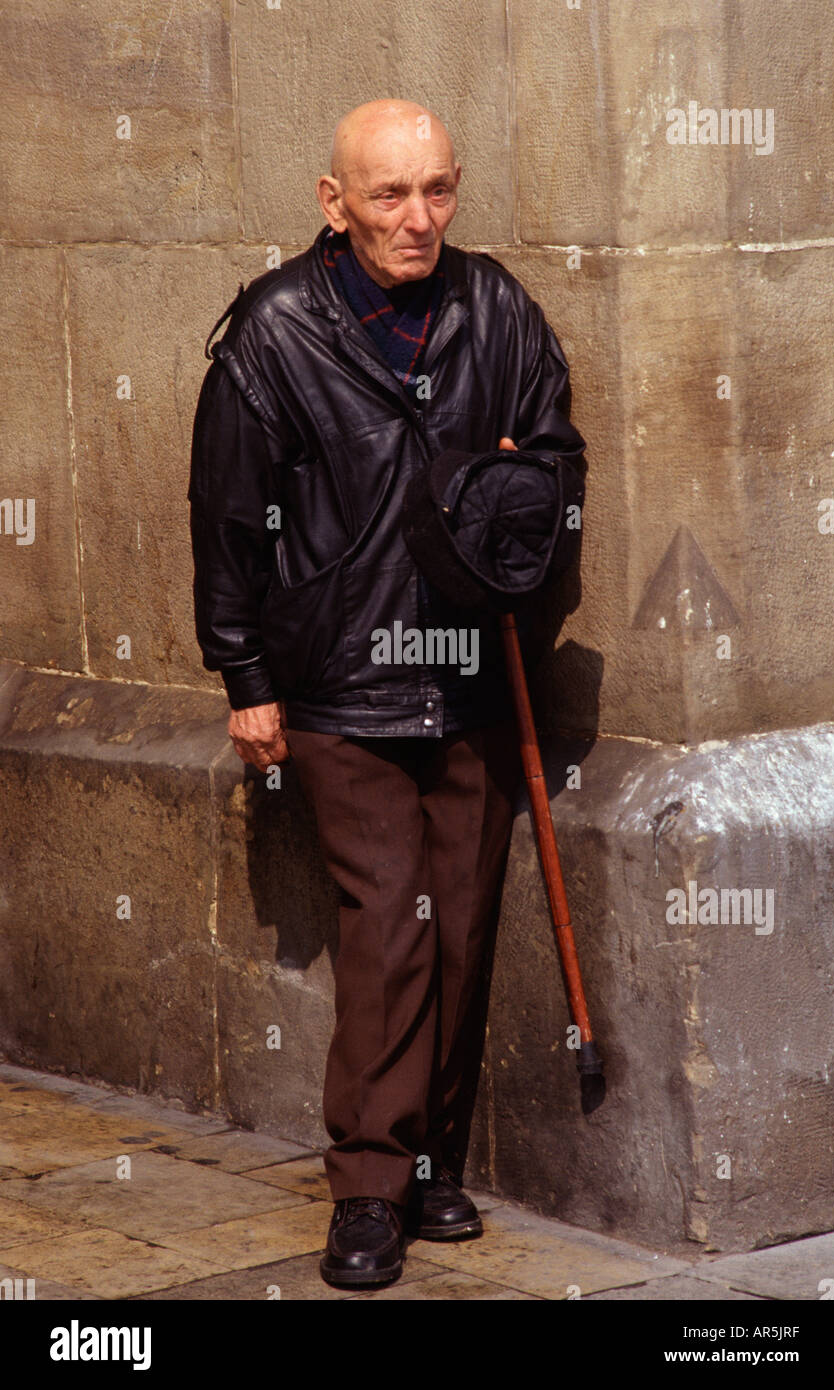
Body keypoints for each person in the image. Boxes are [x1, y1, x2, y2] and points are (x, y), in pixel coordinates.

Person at [188, 98, 582, 1289]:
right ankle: (367, 1186)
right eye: (391, 196)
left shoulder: (496, 308)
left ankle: (429, 1165)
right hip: (340, 680)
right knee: (390, 924)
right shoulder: (273, 330)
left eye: (439, 191)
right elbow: (223, 516)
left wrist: (519, 498)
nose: (419, 220)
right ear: (334, 201)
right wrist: (245, 677)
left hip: (470, 673)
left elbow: (558, 459)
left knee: (458, 924)